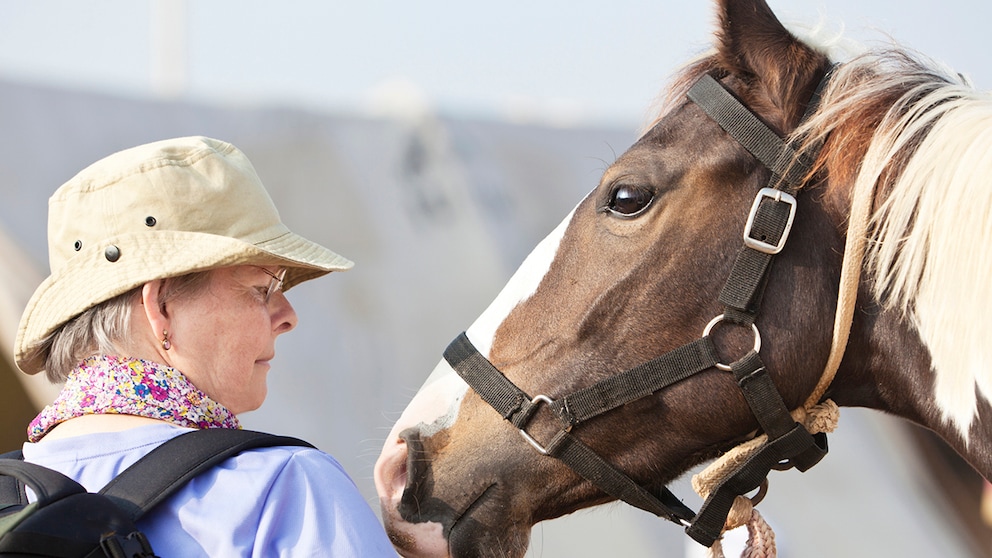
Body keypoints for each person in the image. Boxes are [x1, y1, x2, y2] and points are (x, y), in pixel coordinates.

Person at [12, 136, 397, 556]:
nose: (288, 316)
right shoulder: (282, 489)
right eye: (260, 289)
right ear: (161, 306)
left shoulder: (11, 497)